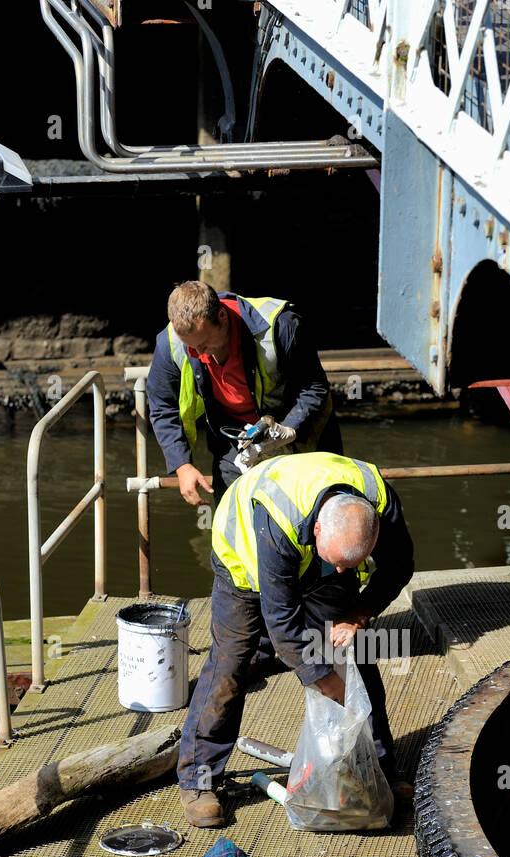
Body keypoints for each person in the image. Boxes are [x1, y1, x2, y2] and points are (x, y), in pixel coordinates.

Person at [178, 451, 415, 827]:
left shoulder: (379, 502)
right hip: (244, 562)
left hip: (311, 553)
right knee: (231, 664)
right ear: (319, 530)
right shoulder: (278, 518)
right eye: (339, 561)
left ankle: (379, 767)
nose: (342, 571)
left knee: (354, 651)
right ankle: (199, 779)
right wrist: (326, 681)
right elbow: (281, 623)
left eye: (350, 565)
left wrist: (357, 614)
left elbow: (400, 566)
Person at [146, 281, 342, 503]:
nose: (198, 353)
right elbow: (162, 405)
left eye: (204, 343)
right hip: (236, 440)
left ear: (222, 316)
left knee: (319, 510)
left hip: (301, 431)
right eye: (190, 347)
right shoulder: (170, 343)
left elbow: (313, 387)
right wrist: (182, 465)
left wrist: (289, 429)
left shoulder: (281, 326)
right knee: (235, 518)